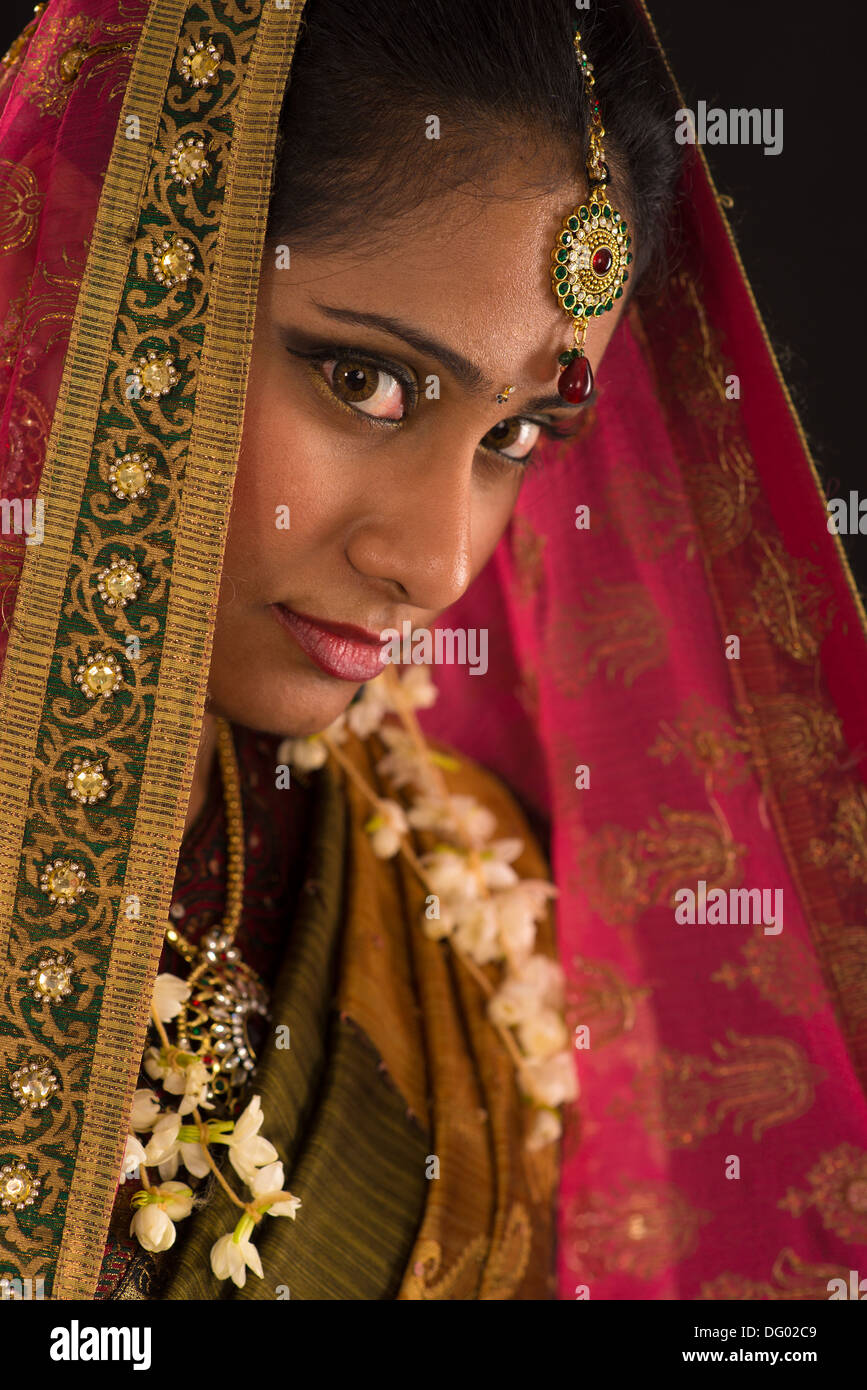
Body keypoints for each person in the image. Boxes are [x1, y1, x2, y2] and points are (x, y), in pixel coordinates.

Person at [0, 0, 864, 1303]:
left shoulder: (472, 886)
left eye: (517, 437)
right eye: (368, 384)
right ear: (140, 283)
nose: (438, 558)